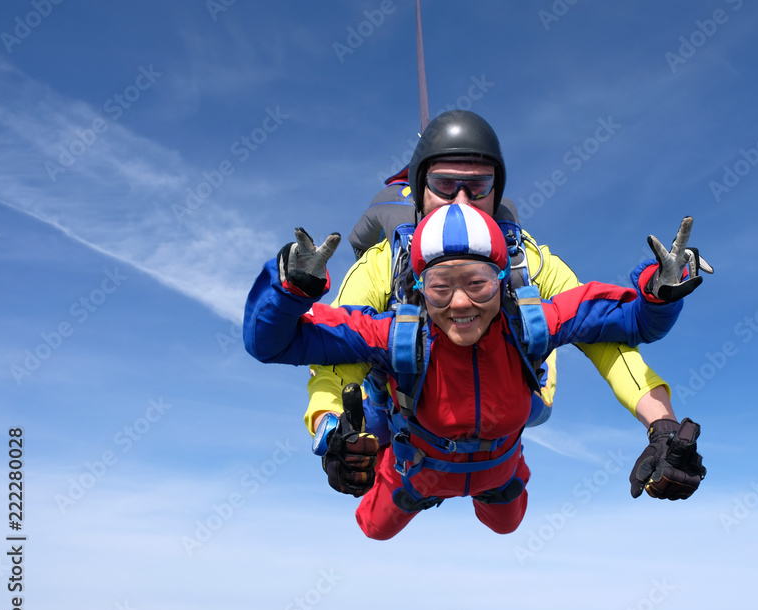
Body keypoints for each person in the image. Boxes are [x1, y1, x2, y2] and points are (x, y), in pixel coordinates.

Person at [301, 110, 713, 505]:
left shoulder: (526, 261)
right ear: (419, 190)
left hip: (501, 425)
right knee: (377, 522)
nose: (460, 201)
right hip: (410, 424)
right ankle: (414, 486)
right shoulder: (384, 263)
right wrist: (332, 429)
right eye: (445, 184)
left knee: (506, 516)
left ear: (496, 192)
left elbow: (602, 334)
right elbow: (338, 351)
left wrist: (662, 425)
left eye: (478, 187)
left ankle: (492, 478)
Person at [245, 203, 705, 539]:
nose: (461, 302)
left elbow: (627, 321)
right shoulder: (395, 335)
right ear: (419, 289)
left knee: (506, 524)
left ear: (503, 280)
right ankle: (425, 483)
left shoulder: (531, 324)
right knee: (373, 528)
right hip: (417, 473)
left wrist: (660, 290)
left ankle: (480, 489)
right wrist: (289, 289)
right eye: (440, 287)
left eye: (478, 284)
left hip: (497, 472)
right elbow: (275, 342)